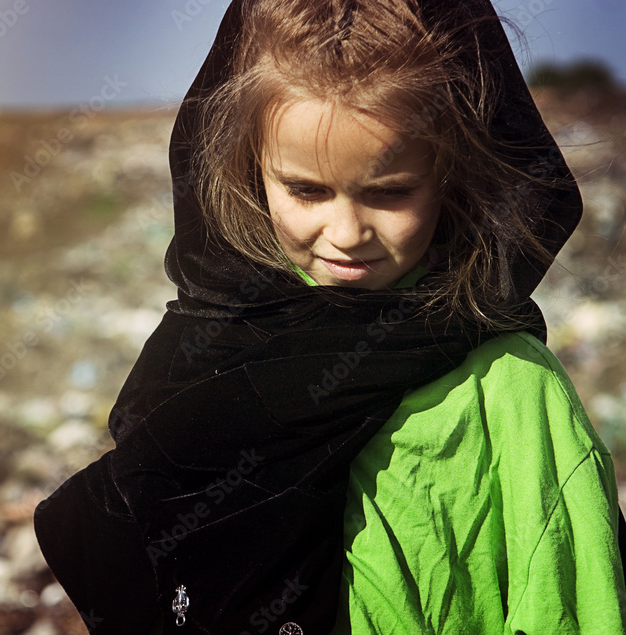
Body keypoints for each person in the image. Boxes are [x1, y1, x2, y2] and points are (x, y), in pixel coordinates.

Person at [35, 0, 626, 632]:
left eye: (389, 192)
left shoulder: (512, 393)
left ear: (450, 178)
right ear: (249, 173)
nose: (346, 233)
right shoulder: (207, 354)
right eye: (307, 190)